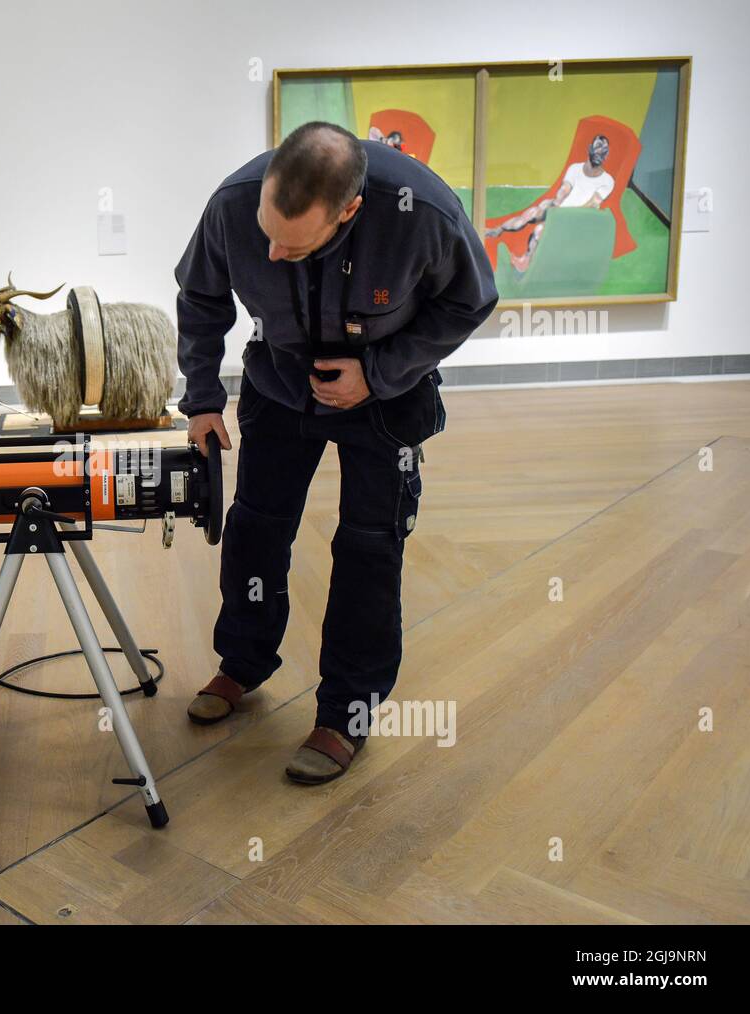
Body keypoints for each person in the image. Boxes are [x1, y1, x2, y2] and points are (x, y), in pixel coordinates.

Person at [174, 121, 497, 784]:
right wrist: (203, 398)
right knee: (255, 528)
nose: (273, 251)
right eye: (268, 235)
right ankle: (244, 661)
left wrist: (377, 373)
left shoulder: (423, 211)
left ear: (349, 211)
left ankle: (345, 713)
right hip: (281, 381)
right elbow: (202, 294)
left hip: (386, 393)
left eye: (293, 246)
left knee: (367, 548)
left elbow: (470, 300)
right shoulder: (234, 203)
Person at [486, 135, 614, 272]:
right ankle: (497, 230)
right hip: (560, 208)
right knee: (531, 213)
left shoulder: (607, 181)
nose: (599, 153)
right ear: (590, 149)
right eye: (597, 148)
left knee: (539, 230)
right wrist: (555, 205)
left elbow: (592, 204)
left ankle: (525, 261)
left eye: (603, 150)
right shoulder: (575, 168)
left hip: (578, 218)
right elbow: (564, 190)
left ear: (606, 155)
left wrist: (560, 215)